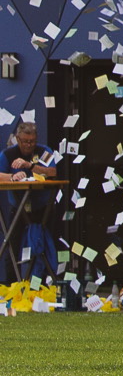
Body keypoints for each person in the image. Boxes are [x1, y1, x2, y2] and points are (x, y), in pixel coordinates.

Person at [0, 121, 59, 283]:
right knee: (13, 245)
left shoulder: (43, 151)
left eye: (32, 141)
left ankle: (46, 284)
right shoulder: (8, 154)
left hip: (42, 207)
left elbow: (52, 172)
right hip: (18, 207)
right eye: (25, 141)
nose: (29, 145)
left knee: (46, 243)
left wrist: (30, 166)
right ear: (18, 139)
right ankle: (12, 284)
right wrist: (12, 177)